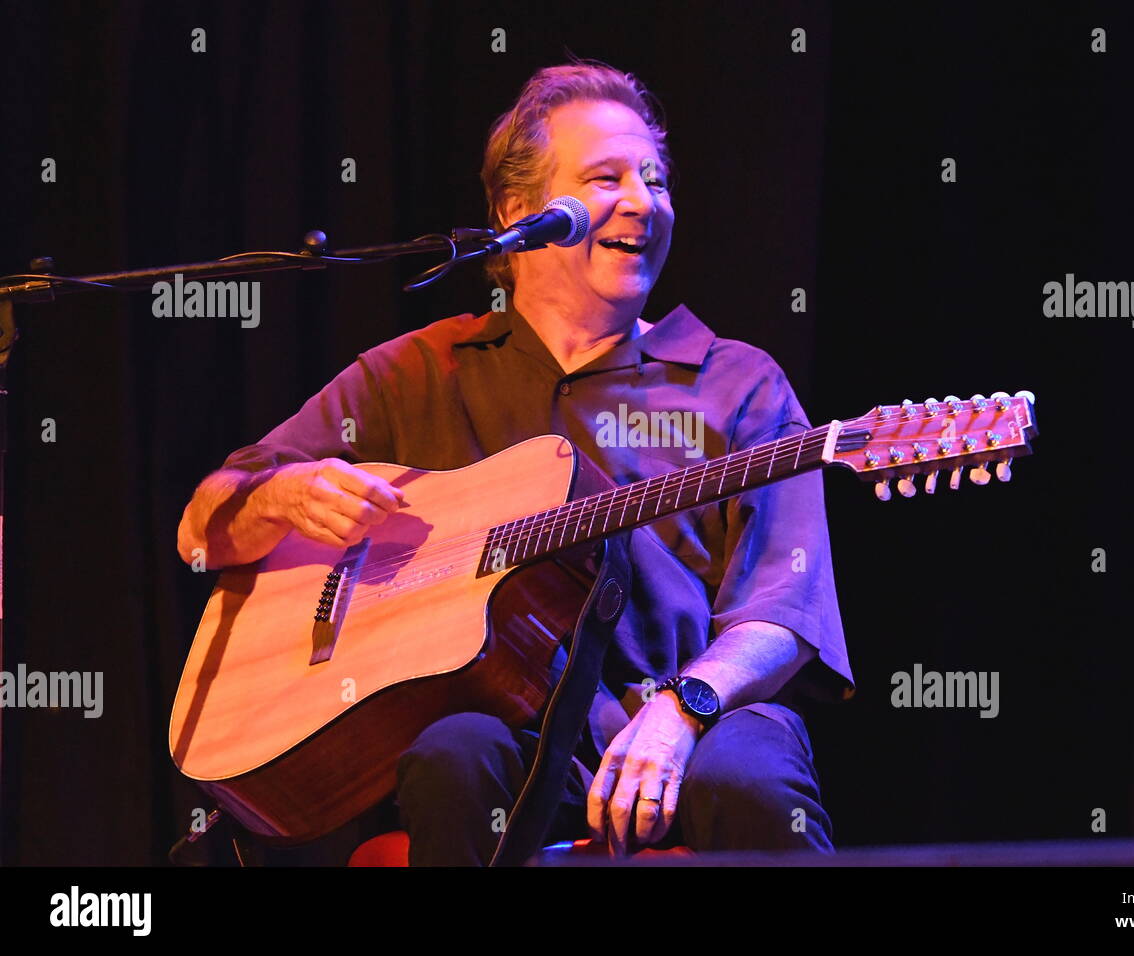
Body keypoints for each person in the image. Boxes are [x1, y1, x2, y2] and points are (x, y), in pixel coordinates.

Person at [176, 60, 854, 865]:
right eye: (606, 177)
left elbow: (784, 607)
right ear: (518, 212)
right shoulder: (420, 372)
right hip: (521, 734)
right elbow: (204, 529)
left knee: (755, 790)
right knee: (452, 759)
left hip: (702, 719)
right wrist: (281, 497)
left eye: (657, 180)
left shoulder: (738, 382)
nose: (644, 202)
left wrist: (682, 710)